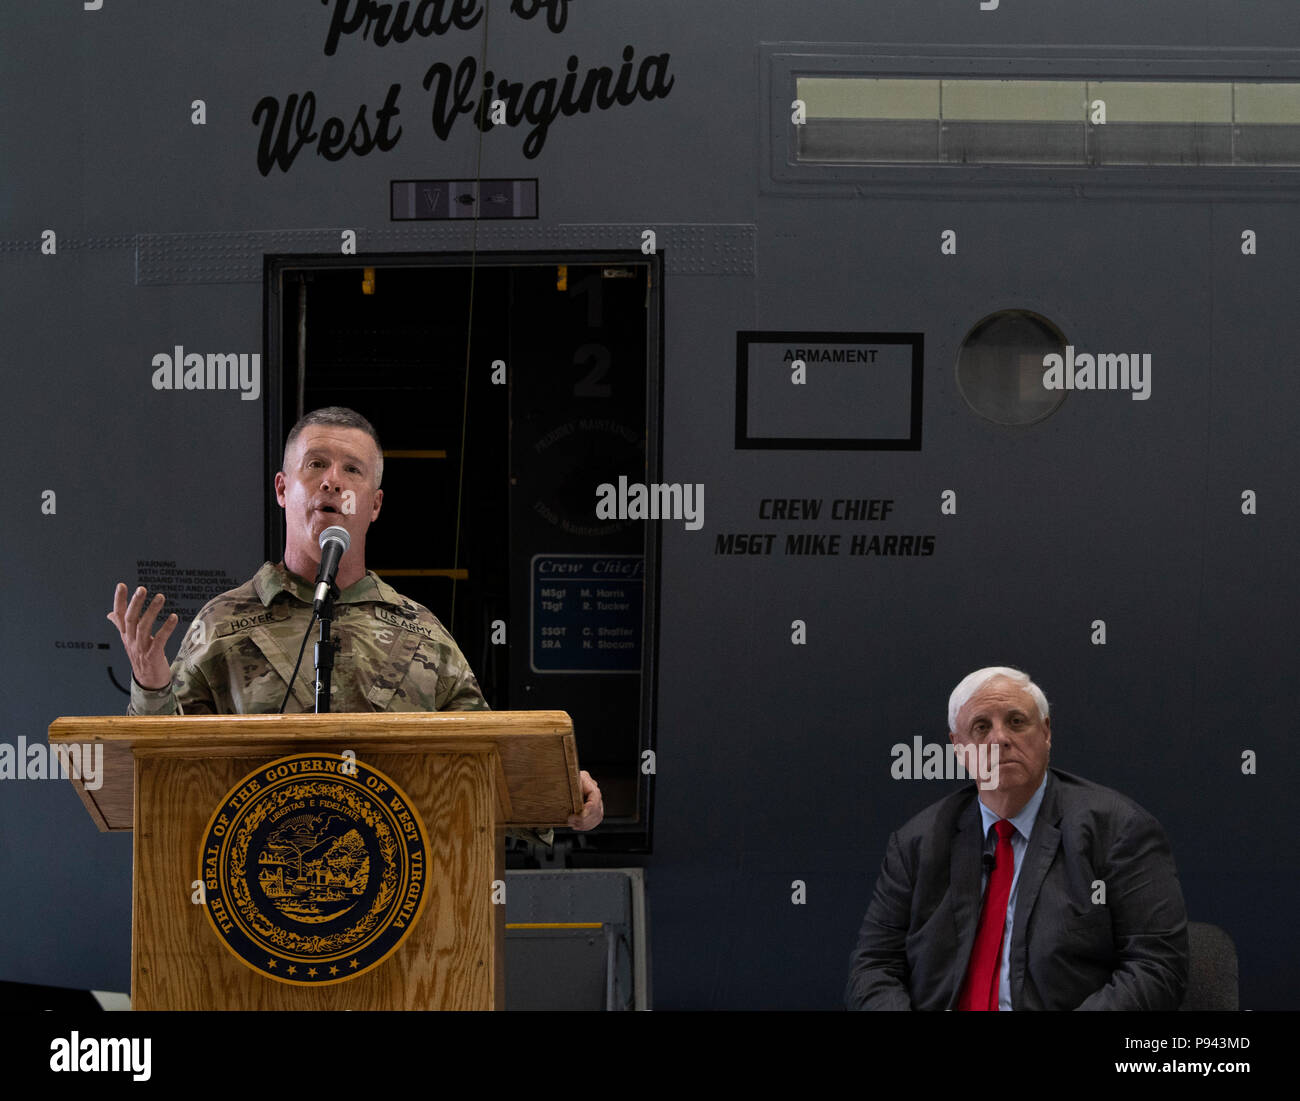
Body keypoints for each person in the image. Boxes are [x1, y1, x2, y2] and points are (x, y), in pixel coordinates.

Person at [107, 406, 603, 832]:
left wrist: (562, 796)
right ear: (282, 488)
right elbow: (163, 778)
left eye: (352, 469)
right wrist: (151, 686)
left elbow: (488, 764)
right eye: (315, 464)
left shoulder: (421, 633)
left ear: (375, 504)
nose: (332, 480)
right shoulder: (222, 623)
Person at [845, 666, 1187, 1010]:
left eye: (1016, 722)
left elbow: (1156, 966)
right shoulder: (916, 844)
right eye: (981, 727)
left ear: (1046, 732)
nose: (1000, 739)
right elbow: (873, 968)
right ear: (959, 748)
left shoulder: (1117, 831)